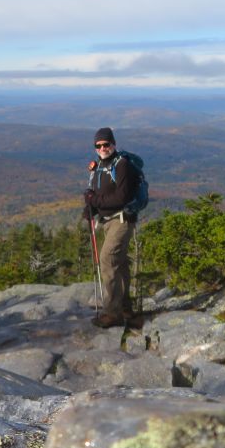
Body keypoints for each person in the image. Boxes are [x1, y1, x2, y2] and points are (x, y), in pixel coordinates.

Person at [83, 127, 137, 328]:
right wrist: (91, 209)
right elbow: (98, 195)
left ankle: (112, 314)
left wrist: (94, 199)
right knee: (119, 263)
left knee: (107, 259)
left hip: (122, 220)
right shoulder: (99, 166)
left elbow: (121, 197)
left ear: (113, 144)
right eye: (99, 145)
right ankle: (125, 308)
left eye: (107, 144)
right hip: (108, 221)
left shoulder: (122, 166)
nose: (103, 148)